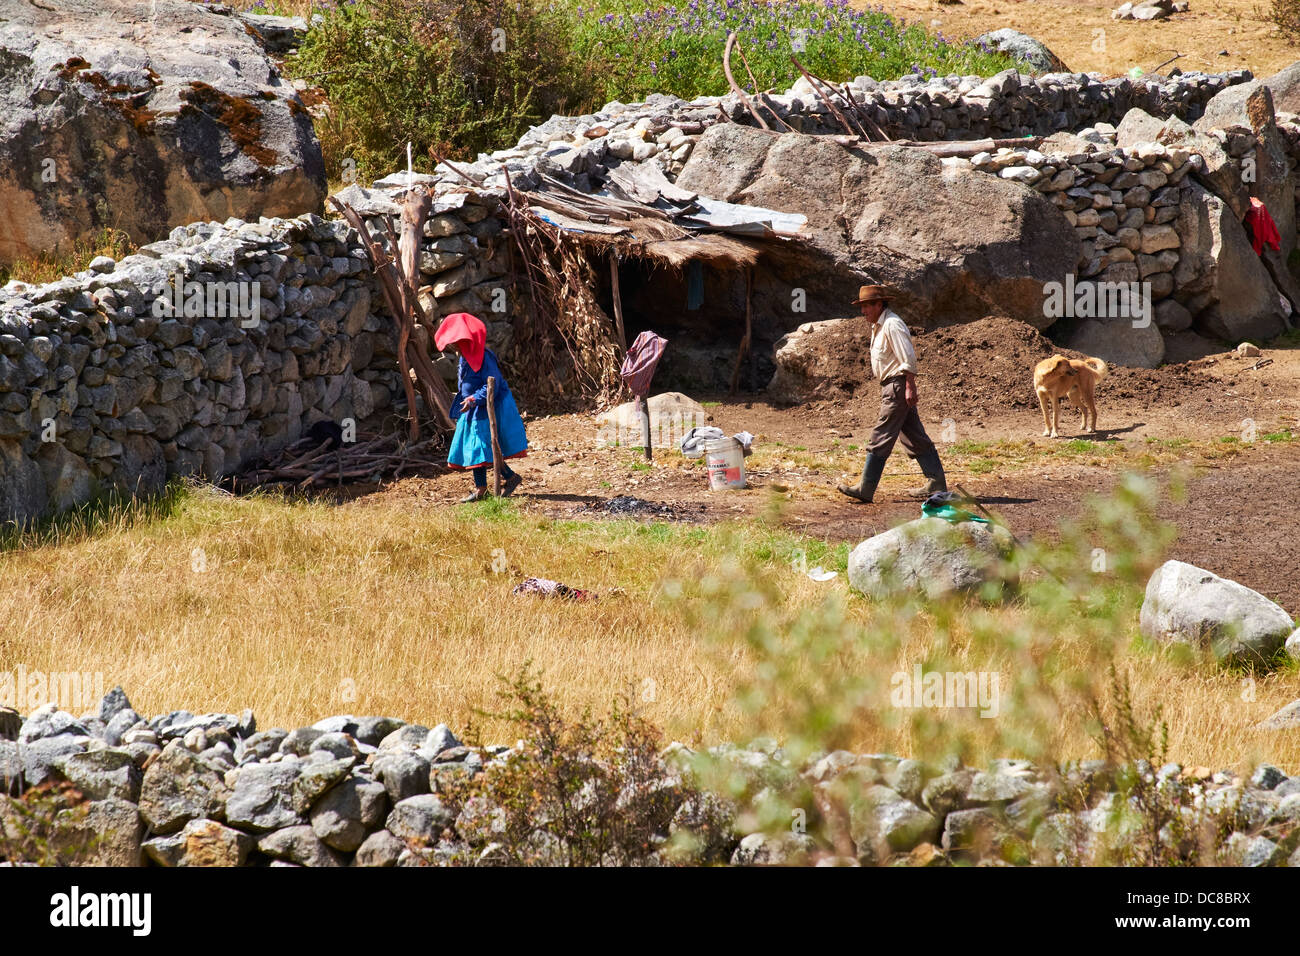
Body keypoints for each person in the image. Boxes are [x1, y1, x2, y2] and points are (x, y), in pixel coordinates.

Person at [837, 285, 947, 504]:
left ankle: (865, 488)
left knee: (881, 435)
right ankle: (936, 482)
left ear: (879, 304)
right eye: (862, 306)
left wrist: (909, 385)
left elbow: (907, 356)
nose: (863, 311)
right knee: (914, 435)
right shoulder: (879, 326)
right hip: (893, 385)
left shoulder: (892, 324)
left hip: (897, 385)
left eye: (867, 306)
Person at [434, 312, 528, 503]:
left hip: (485, 408)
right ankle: (483, 488)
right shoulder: (464, 357)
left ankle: (508, 478)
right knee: (474, 448)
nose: (454, 346)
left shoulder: (485, 358)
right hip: (472, 410)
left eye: (458, 341)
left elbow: (493, 383)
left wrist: (474, 399)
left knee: (481, 447)